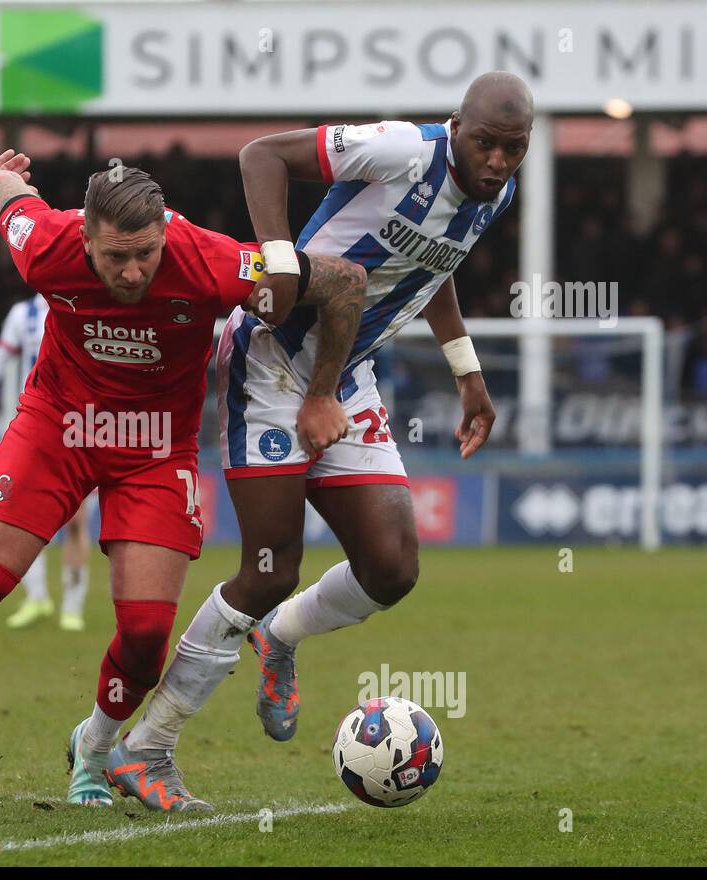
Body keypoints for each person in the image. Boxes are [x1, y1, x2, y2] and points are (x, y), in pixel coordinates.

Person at [0, 148, 359, 812]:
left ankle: (92, 751)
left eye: (145, 252)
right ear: (83, 236)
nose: (133, 270)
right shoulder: (47, 243)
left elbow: (344, 281)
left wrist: (323, 391)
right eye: (114, 256)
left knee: (146, 631)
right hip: (58, 425)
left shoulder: (207, 259)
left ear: (164, 236)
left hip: (154, 449)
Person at [124, 72, 529, 785]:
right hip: (274, 364)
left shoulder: (496, 195)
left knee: (393, 566)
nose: (497, 161)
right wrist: (280, 261)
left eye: (514, 148)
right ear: (455, 125)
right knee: (271, 569)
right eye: (487, 144)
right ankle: (146, 747)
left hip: (348, 371)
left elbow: (436, 266)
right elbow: (261, 155)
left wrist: (466, 371)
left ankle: (278, 640)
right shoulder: (403, 149)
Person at [0, 292, 93, 632]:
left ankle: (73, 605)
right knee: (28, 517)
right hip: (36, 431)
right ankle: (37, 597)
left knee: (76, 522)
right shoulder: (22, 314)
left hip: (80, 430)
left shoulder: (87, 299)